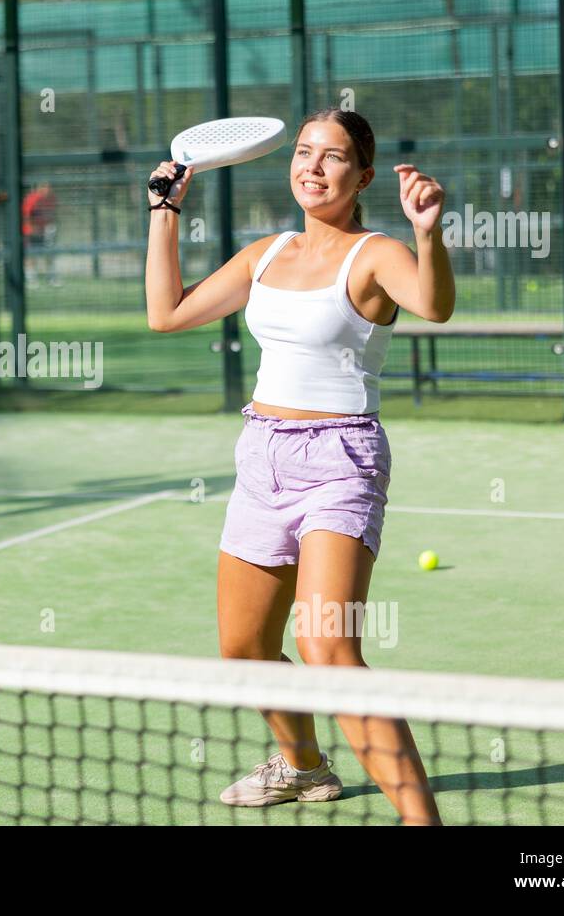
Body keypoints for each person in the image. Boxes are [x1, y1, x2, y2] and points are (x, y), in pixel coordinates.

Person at [145, 107, 454, 825]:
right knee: (245, 646)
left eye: (333, 156)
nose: (312, 165)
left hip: (341, 458)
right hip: (261, 457)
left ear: (363, 176)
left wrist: (428, 231)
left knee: (326, 643)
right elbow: (167, 312)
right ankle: (304, 766)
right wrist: (165, 212)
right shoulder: (267, 253)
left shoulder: (376, 254)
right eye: (305, 152)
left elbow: (434, 305)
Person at [22, 181, 59, 287]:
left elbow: (53, 214)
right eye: (46, 187)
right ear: (40, 188)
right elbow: (26, 216)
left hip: (45, 231)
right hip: (30, 231)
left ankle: (52, 278)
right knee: (30, 255)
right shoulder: (31, 198)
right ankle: (31, 280)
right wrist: (33, 228)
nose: (49, 190)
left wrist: (50, 227)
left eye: (50, 187)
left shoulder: (51, 198)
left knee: (50, 254)